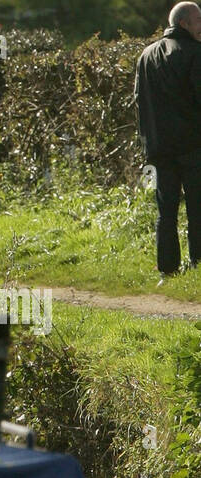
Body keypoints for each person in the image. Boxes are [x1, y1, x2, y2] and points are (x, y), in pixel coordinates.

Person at [135, 3, 201, 278]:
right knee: (198, 208)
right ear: (184, 23)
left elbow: (139, 100)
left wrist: (147, 142)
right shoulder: (195, 53)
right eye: (199, 20)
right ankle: (198, 263)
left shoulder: (145, 56)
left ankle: (167, 270)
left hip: (159, 148)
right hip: (192, 145)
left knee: (167, 210)